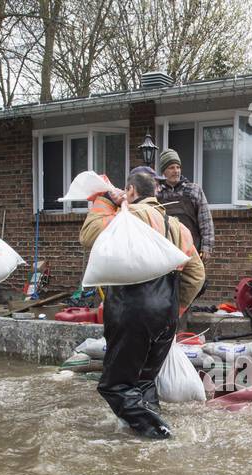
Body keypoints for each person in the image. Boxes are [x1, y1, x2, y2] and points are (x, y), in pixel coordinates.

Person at [80, 168, 205, 438]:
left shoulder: (129, 218)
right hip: (167, 314)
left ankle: (160, 434)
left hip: (132, 311)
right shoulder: (177, 227)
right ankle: (142, 438)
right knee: (145, 381)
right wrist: (173, 308)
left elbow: (88, 235)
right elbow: (196, 275)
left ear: (132, 191)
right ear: (156, 192)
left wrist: (105, 199)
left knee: (116, 387)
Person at [156, 148, 213, 271]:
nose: (176, 171)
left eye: (178, 167)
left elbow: (206, 221)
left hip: (192, 250)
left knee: (193, 285)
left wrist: (207, 247)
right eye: (171, 167)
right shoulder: (156, 194)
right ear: (163, 171)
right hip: (166, 253)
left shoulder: (194, 190)